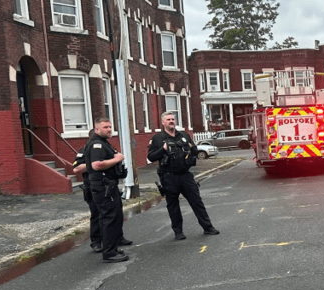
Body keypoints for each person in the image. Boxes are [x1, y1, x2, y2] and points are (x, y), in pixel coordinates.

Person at [147, 112, 219, 240]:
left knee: (197, 201)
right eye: (168, 119)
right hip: (169, 176)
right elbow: (151, 157)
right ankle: (178, 232)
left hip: (185, 174)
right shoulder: (158, 139)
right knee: (173, 205)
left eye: (173, 119)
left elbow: (194, 151)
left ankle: (208, 227)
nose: (171, 121)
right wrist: (163, 149)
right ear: (163, 122)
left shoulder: (184, 135)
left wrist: (192, 147)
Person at [73, 130, 133, 254]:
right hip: (93, 186)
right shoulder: (85, 150)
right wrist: (94, 162)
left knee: (116, 213)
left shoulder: (106, 148)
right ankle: (96, 242)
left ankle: (117, 238)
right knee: (98, 215)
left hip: (109, 185)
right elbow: (76, 168)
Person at [86, 117, 130, 263]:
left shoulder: (105, 143)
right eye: (105, 127)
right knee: (109, 218)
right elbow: (96, 165)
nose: (109, 129)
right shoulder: (96, 144)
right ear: (97, 129)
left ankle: (113, 247)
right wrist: (117, 159)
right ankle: (109, 253)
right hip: (103, 186)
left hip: (109, 185)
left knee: (116, 216)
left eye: (110, 127)